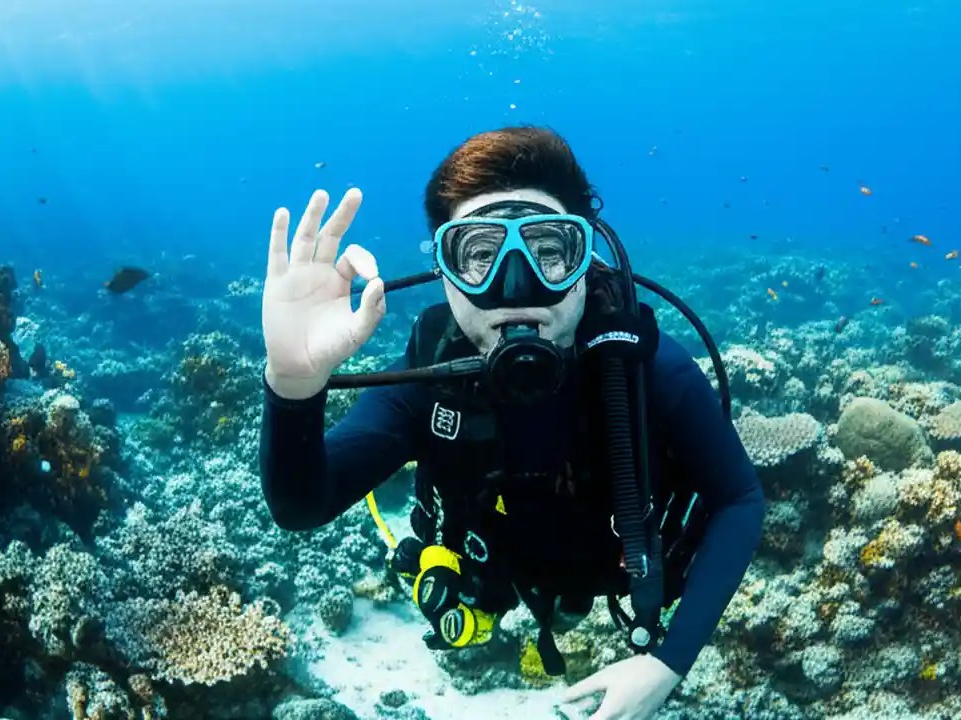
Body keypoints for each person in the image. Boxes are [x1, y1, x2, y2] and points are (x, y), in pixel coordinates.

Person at [259, 126, 764, 720]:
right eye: (478, 253)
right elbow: (302, 505)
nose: (517, 285)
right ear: (446, 276)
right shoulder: (433, 373)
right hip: (490, 566)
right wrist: (293, 383)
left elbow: (740, 498)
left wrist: (667, 662)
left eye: (549, 250)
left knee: (571, 600)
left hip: (611, 570)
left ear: (584, 262)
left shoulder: (643, 369)